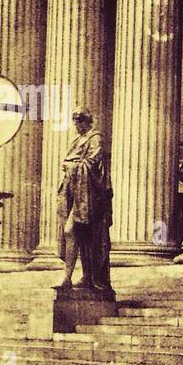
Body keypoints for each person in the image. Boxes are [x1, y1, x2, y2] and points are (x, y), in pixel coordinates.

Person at [57, 108, 113, 296]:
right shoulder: (76, 140)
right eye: (74, 120)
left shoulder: (95, 138)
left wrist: (72, 166)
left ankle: (73, 277)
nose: (76, 124)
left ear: (88, 121)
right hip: (75, 193)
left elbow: (93, 164)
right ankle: (75, 277)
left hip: (90, 197)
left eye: (79, 120)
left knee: (72, 231)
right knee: (75, 235)